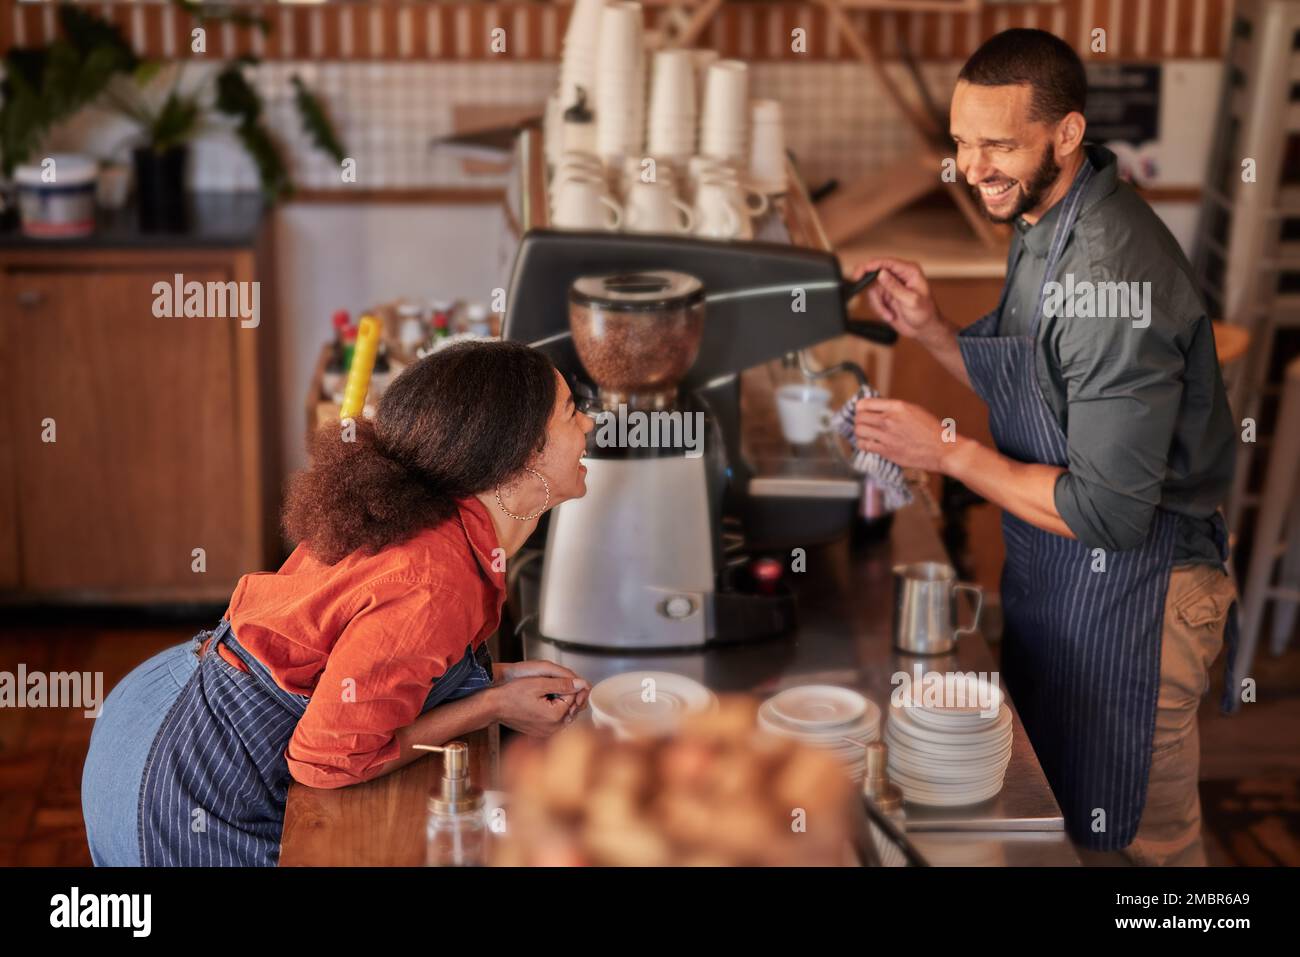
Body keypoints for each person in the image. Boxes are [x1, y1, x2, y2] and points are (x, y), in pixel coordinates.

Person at [851, 29, 1238, 865]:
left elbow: (1107, 508)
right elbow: (1046, 397)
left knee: (1147, 850)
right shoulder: (1043, 214)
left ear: (1066, 133)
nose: (973, 165)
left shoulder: (1105, 278)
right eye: (961, 142)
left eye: (998, 144)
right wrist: (932, 331)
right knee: (1065, 824)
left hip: (1145, 600)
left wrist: (947, 449)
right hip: (1069, 584)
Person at [83, 340, 595, 865]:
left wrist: (500, 680)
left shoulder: (418, 510)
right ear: (519, 455)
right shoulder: (436, 582)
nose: (589, 426)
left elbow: (368, 664)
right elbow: (326, 762)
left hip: (159, 706)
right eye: (571, 413)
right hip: (187, 780)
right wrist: (490, 705)